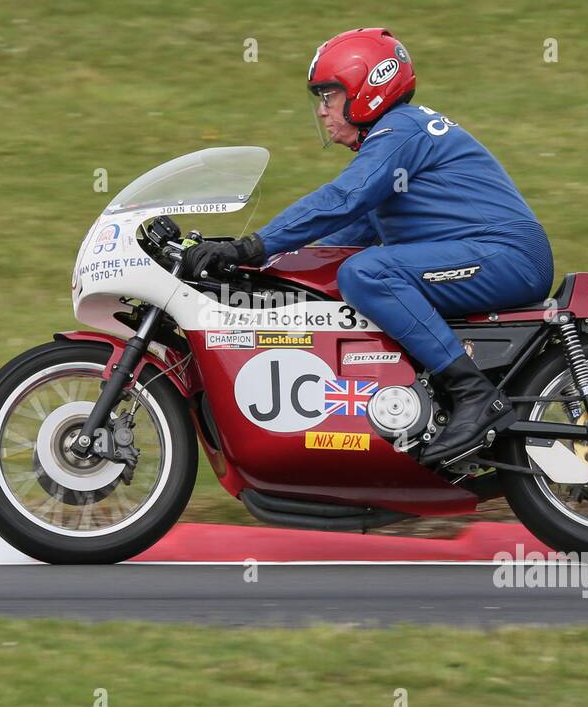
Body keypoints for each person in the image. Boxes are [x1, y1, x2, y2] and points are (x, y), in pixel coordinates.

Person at [182, 28, 553, 467]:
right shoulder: (393, 145)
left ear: (367, 90)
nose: (321, 111)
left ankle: (474, 397)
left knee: (368, 273)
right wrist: (251, 271)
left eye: (329, 95)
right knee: (352, 272)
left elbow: (341, 200)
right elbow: (335, 243)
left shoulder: (401, 131)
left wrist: (251, 247)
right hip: (493, 254)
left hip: (507, 255)